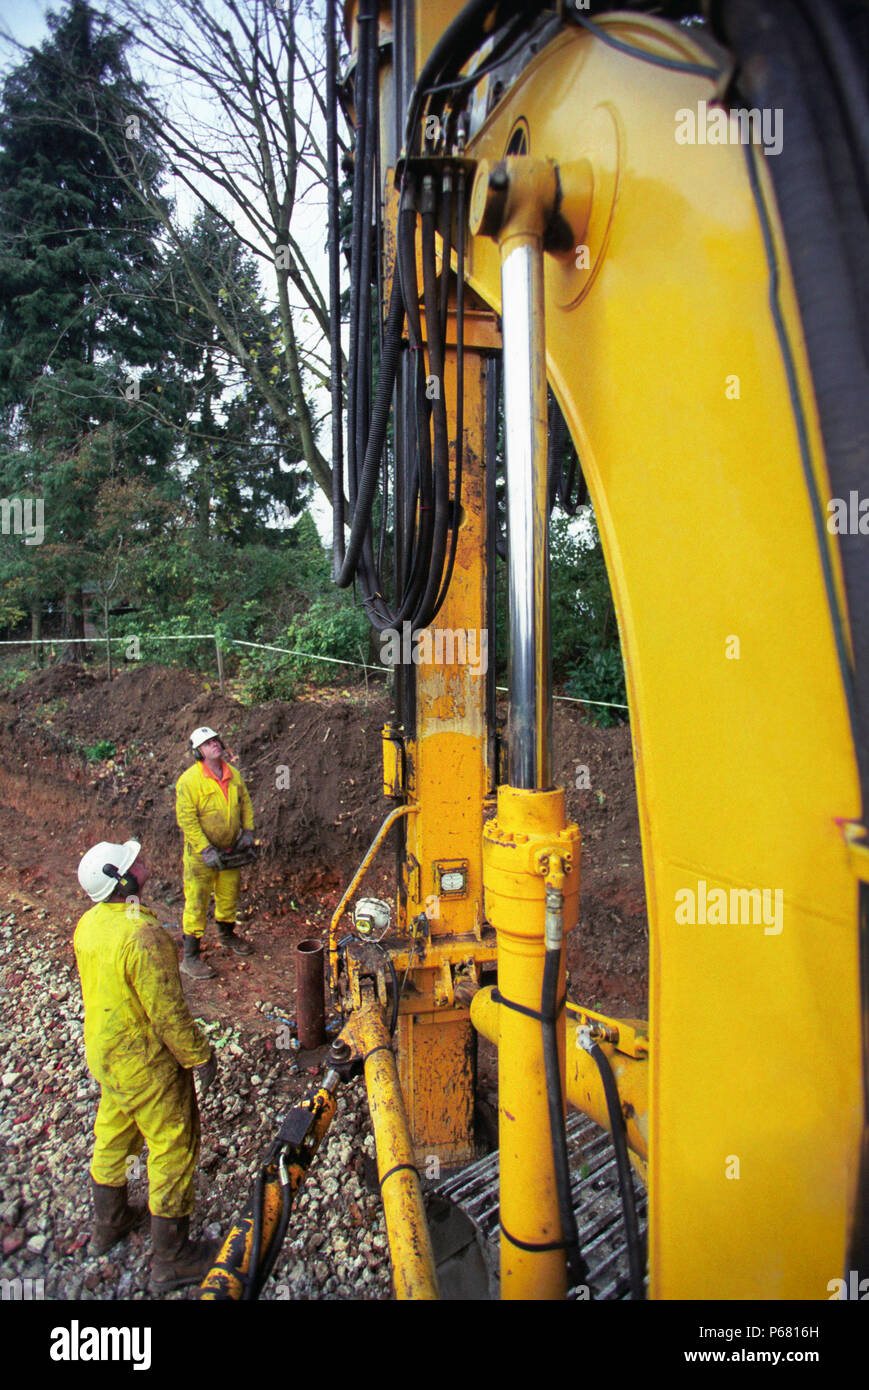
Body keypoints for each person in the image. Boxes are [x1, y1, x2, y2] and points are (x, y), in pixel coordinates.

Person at [74, 839, 218, 1290]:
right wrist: (200, 1057)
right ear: (122, 880)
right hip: (143, 1061)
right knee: (173, 1141)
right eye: (134, 863)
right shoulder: (142, 936)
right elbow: (169, 1015)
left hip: (106, 1055)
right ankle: (172, 1257)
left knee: (115, 1132)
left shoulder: (90, 923)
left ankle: (109, 1224)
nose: (142, 862)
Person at [175, 726, 255, 980]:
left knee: (228, 895)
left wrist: (248, 831)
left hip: (230, 850)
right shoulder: (189, 780)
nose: (214, 745)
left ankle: (227, 935)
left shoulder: (233, 774)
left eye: (215, 740)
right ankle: (190, 957)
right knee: (197, 902)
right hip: (201, 856)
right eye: (207, 743)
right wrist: (205, 848)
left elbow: (245, 802)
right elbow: (186, 819)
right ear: (198, 751)